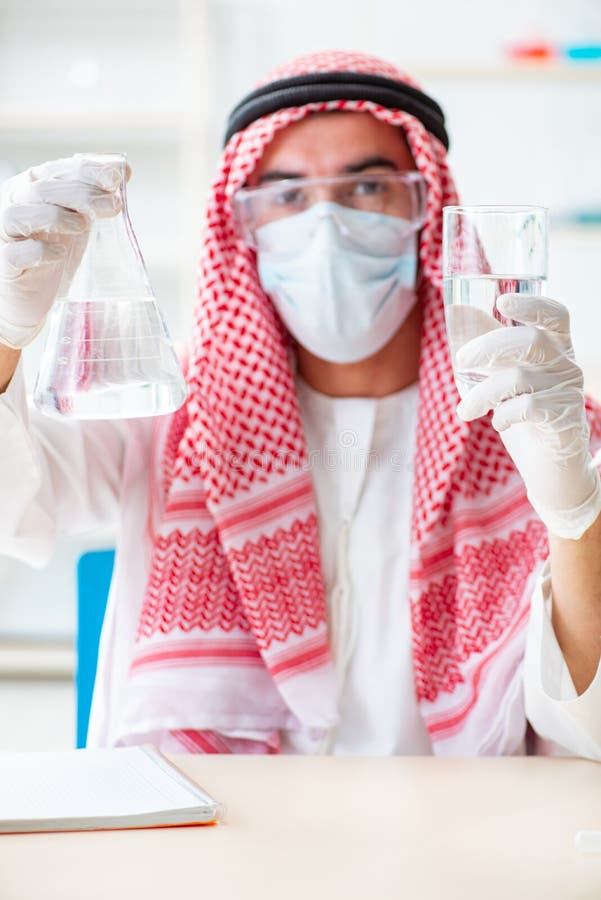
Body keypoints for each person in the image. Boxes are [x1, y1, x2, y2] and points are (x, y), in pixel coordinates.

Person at [1, 49, 600, 757]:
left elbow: (580, 725)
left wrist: (573, 514)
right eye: (285, 194)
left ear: (424, 205)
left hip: (455, 848)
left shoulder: (539, 423)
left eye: (368, 187)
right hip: (206, 844)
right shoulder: (168, 413)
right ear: (245, 225)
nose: (324, 226)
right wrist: (6, 336)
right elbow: (16, 505)